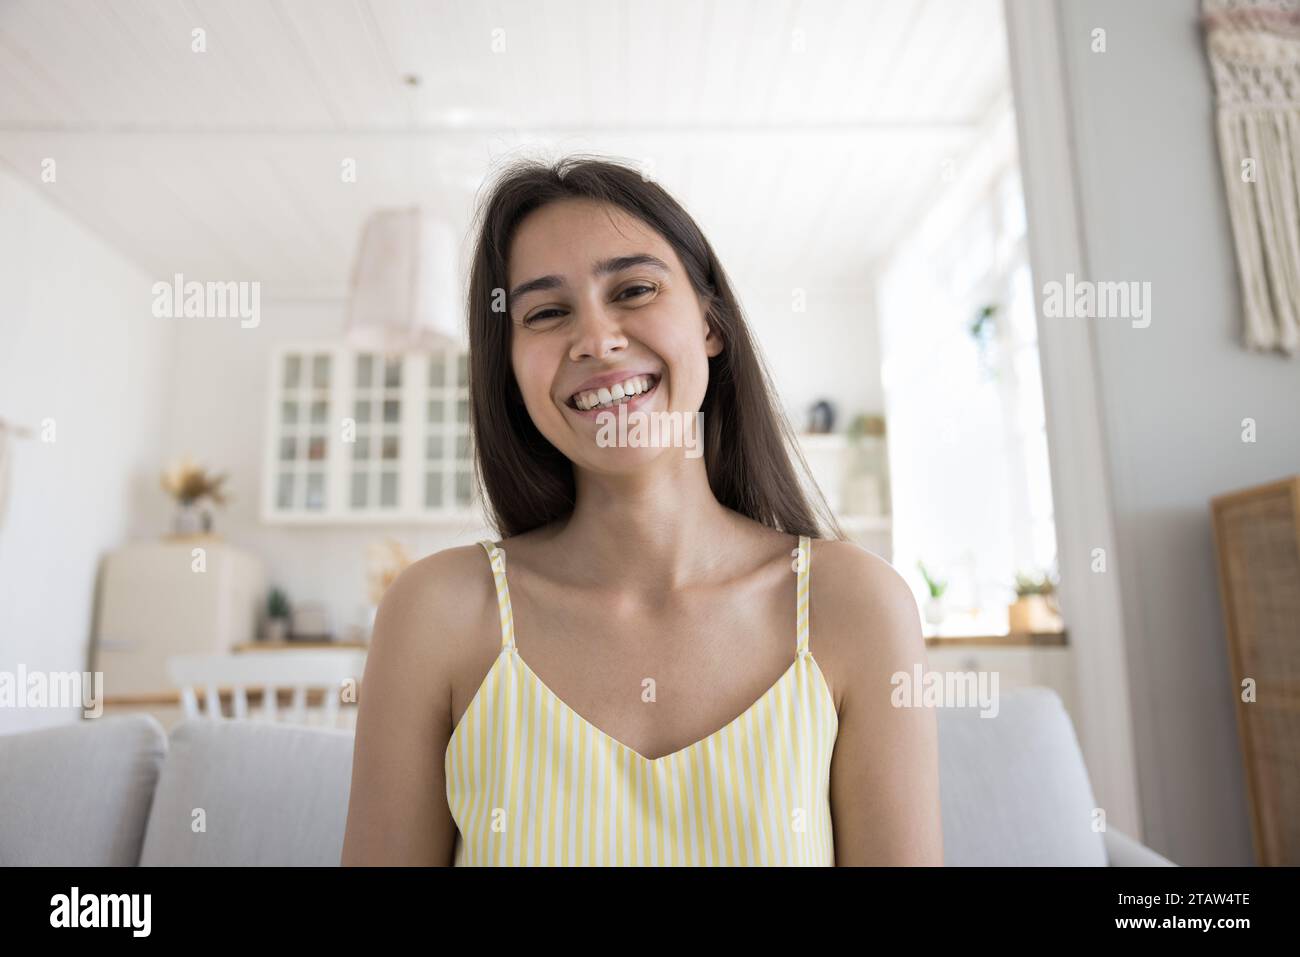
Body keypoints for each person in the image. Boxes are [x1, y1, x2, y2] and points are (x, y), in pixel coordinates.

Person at [342, 155, 941, 866]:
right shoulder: (435, 613)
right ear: (511, 365)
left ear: (710, 323)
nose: (596, 339)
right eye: (547, 312)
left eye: (632, 289)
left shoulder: (858, 608)